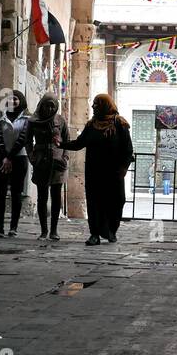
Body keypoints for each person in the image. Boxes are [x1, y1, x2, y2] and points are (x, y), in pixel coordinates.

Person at [60, 94, 134, 246]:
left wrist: (124, 168)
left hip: (114, 173)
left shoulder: (119, 123)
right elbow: (79, 144)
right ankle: (94, 234)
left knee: (117, 201)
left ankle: (111, 230)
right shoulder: (91, 125)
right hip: (94, 172)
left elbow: (128, 149)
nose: (93, 107)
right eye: (93, 104)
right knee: (94, 203)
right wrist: (61, 144)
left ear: (106, 105)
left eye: (97, 104)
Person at [28, 94, 71, 240]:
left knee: (56, 196)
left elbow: (67, 140)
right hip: (41, 161)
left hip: (58, 162)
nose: (50, 108)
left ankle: (54, 230)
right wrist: (32, 157)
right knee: (42, 197)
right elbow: (27, 141)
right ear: (42, 105)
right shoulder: (34, 121)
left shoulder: (60, 120)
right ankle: (43, 230)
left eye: (53, 105)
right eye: (48, 105)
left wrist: (65, 157)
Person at [0, 90, 30, 238]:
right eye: (10, 100)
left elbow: (23, 139)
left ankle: (13, 227)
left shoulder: (27, 119)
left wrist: (10, 157)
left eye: (16, 100)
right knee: (0, 192)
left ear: (21, 101)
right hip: (1, 158)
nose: (13, 102)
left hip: (19, 158)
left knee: (16, 193)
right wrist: (5, 157)